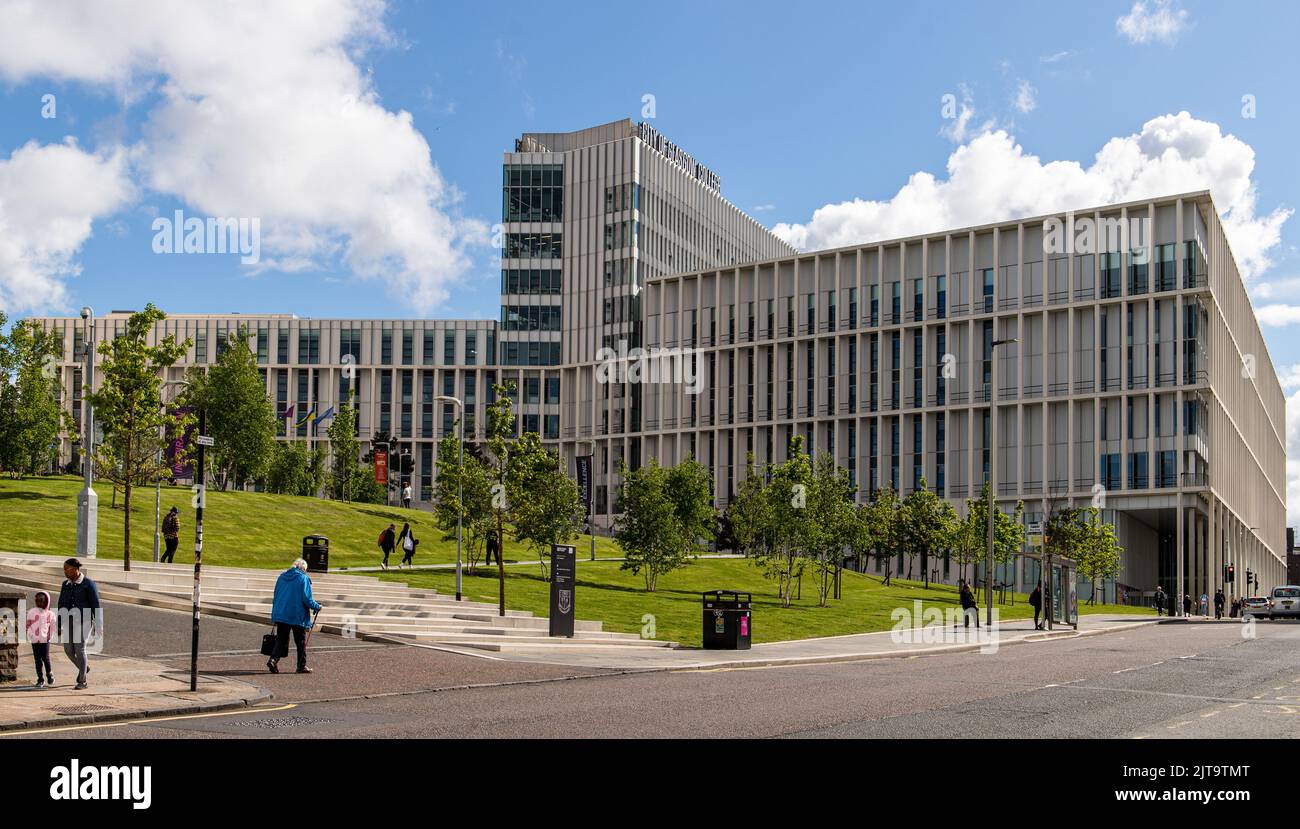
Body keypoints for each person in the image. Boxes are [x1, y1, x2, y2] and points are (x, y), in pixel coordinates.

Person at [268, 558, 322, 674]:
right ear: (303, 569)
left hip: (282, 612)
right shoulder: (303, 578)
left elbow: (276, 594)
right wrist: (317, 606)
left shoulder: (282, 577)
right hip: (297, 615)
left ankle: (273, 660)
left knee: (281, 639)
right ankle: (301, 666)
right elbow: (307, 599)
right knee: (300, 641)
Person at [57, 558, 100, 690]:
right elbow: (61, 604)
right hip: (68, 620)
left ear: (76, 569)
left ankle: (82, 680)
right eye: (64, 569)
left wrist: (98, 624)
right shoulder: (65, 584)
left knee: (80, 649)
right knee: (68, 650)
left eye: (67, 569)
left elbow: (95, 605)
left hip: (84, 620)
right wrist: (59, 623)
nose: (65, 571)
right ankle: (84, 667)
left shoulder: (88, 584)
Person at [25, 590, 54, 688]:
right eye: (37, 600)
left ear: (47, 601)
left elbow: (52, 627)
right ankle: (40, 679)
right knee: (37, 660)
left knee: (45, 658)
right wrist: (31, 635)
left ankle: (49, 674)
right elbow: (28, 625)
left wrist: (49, 637)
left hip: (45, 640)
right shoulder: (31, 612)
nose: (39, 603)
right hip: (35, 640)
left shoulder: (50, 614)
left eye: (41, 600)